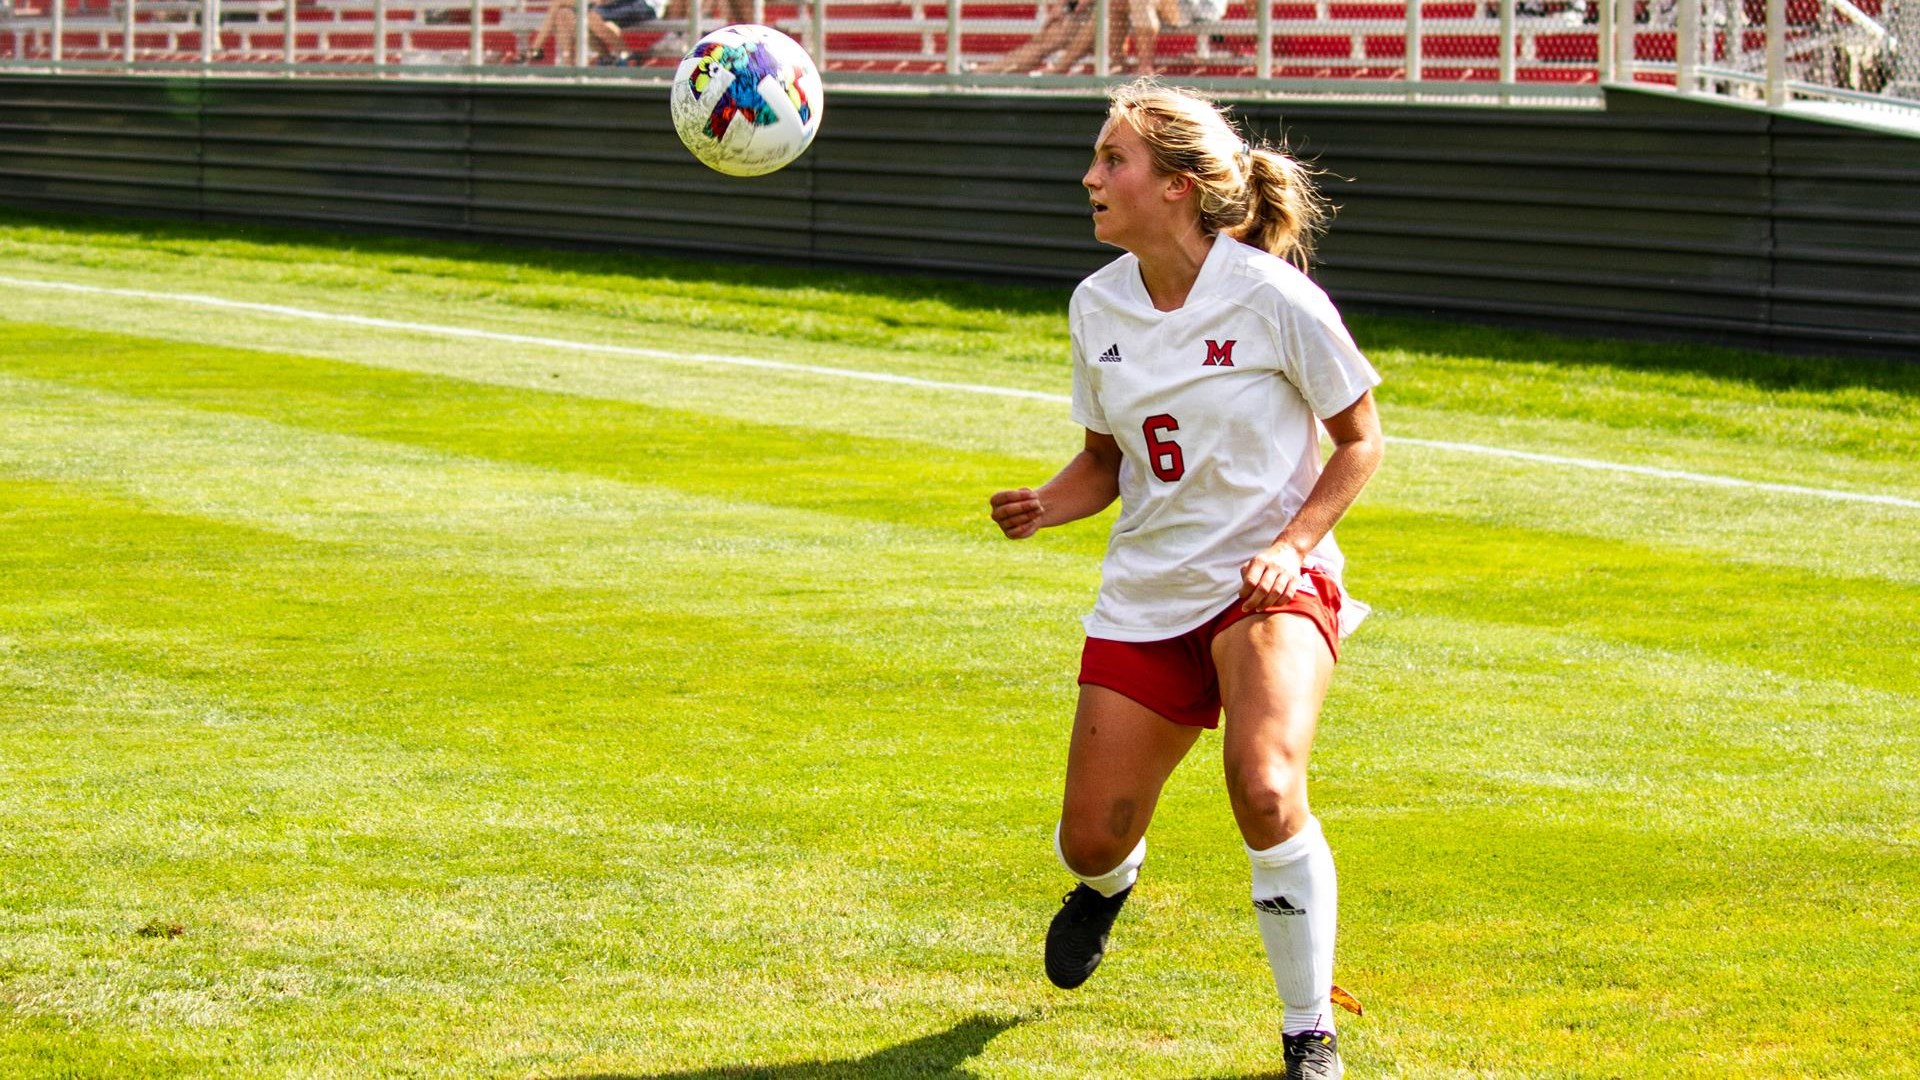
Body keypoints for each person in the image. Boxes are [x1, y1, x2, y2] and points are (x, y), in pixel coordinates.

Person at [988, 80, 1383, 1080]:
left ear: (1174, 185)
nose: (1091, 176)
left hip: (1266, 587)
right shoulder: (1097, 304)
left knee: (1264, 784)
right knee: (1086, 839)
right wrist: (1046, 500)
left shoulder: (1272, 296)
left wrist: (1293, 546)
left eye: (1111, 159)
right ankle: (1108, 886)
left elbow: (1361, 441)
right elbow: (1106, 464)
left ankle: (1308, 1031)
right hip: (1149, 591)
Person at [1122, 0, 1223, 74]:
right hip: (1164, 6)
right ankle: (1117, 66)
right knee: (1116, 2)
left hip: (1192, 6)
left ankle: (1145, 70)